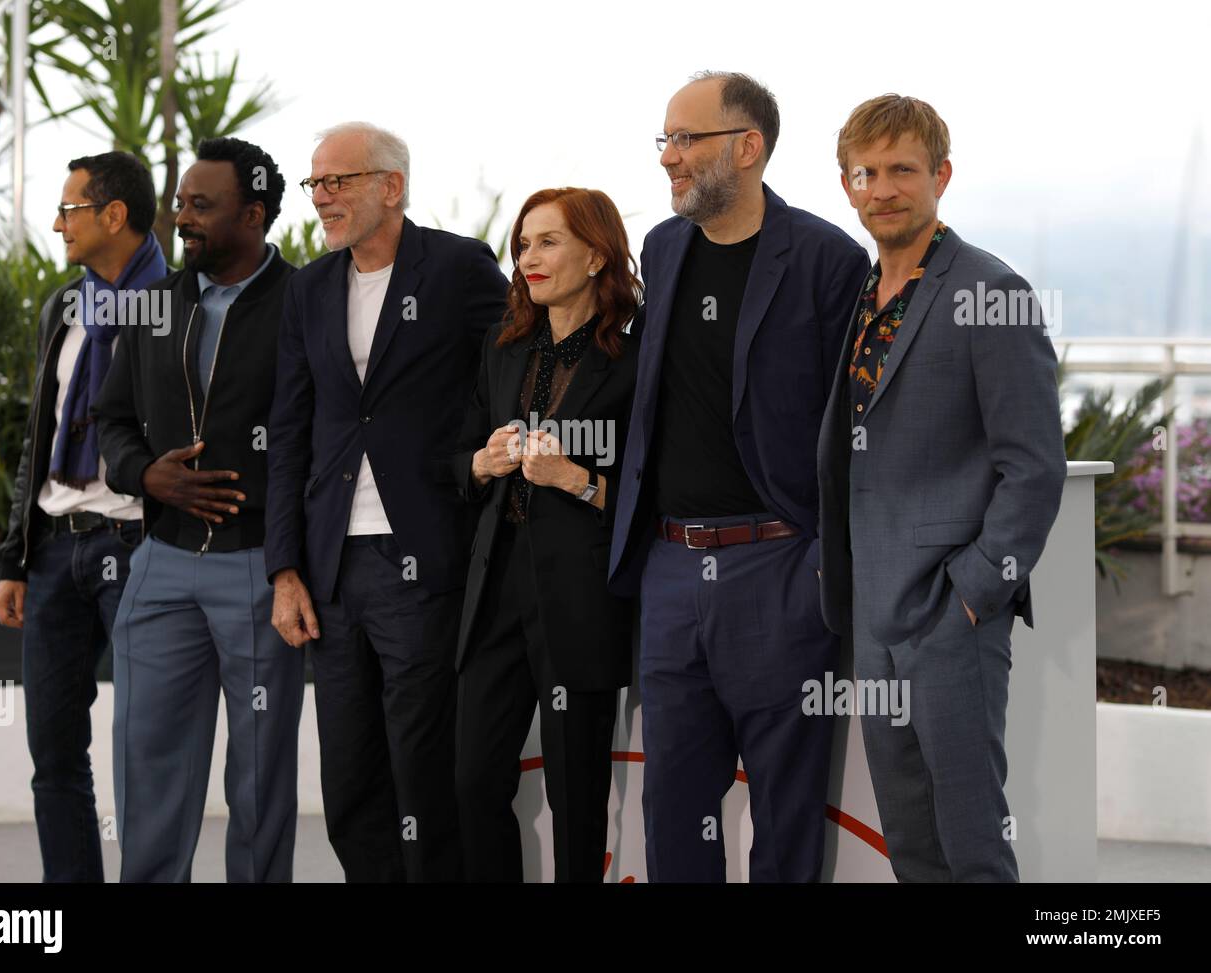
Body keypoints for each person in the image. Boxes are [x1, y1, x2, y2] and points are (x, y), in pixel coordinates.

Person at [607, 71, 870, 882]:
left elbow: (856, 424)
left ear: (747, 147)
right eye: (665, 141)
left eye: (685, 140)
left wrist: (826, 556)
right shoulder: (663, 246)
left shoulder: (828, 258)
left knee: (787, 813)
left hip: (780, 564)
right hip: (671, 568)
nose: (669, 159)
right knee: (673, 807)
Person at [816, 94, 1067, 882]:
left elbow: (1034, 465)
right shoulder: (864, 296)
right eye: (866, 172)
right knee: (913, 846)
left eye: (902, 170)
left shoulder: (990, 290)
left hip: (949, 618)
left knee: (973, 847)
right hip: (871, 616)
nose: (882, 188)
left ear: (941, 176)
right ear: (847, 184)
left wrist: (971, 596)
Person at [265, 122, 508, 882]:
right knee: (349, 778)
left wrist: (470, 462)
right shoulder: (307, 287)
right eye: (315, 184)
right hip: (333, 568)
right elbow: (290, 428)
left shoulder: (459, 267)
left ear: (390, 187)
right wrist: (285, 569)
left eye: (337, 181)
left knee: (424, 770)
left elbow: (507, 373)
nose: (322, 198)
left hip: (424, 553)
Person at [92, 137, 302, 882]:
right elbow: (108, 418)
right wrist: (147, 475)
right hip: (161, 563)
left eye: (201, 206)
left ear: (254, 215)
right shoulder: (154, 304)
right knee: (147, 766)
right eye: (181, 202)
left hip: (258, 566)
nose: (182, 218)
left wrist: (289, 561)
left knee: (258, 780)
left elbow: (326, 433)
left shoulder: (303, 302)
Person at [451, 188, 640, 883]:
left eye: (548, 242)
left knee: (578, 797)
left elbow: (656, 493)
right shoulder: (505, 348)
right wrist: (481, 462)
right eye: (523, 244)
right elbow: (458, 456)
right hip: (496, 585)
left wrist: (578, 480)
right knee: (473, 780)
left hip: (581, 596)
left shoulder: (637, 353)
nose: (529, 257)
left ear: (595, 254)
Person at [0, 151, 164, 882]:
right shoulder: (63, 306)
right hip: (56, 552)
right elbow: (41, 430)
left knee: (146, 749)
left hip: (138, 546)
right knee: (54, 753)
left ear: (113, 215)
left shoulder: (178, 304)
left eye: (69, 209)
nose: (58, 222)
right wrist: (14, 557)